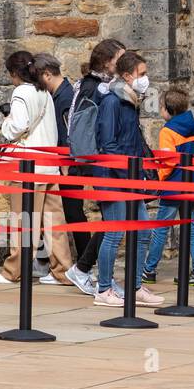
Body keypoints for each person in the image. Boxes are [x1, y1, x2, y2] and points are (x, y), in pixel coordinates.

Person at [0, 51, 73, 287]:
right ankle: (63, 270)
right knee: (54, 223)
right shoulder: (44, 91)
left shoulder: (21, 92)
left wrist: (6, 122)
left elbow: (17, 127)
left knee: (23, 219)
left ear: (15, 73)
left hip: (28, 165)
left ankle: (14, 270)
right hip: (49, 163)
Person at [93, 50, 163, 309]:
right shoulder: (113, 101)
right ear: (126, 75)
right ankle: (103, 289)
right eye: (141, 74)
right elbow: (108, 143)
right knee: (114, 233)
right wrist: (127, 173)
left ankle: (134, 286)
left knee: (143, 230)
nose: (145, 79)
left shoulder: (130, 100)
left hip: (131, 177)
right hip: (114, 177)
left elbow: (133, 140)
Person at [62, 38, 126, 296]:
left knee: (115, 219)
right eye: (119, 59)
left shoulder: (100, 85)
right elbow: (82, 126)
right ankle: (92, 274)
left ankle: (89, 270)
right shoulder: (93, 87)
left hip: (106, 159)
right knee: (114, 220)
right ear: (107, 61)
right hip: (101, 160)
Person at [142, 86, 194, 286]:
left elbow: (168, 161)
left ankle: (149, 269)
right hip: (192, 184)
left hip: (173, 187)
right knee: (190, 228)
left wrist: (159, 180)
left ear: (168, 110)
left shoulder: (167, 131)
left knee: (161, 229)